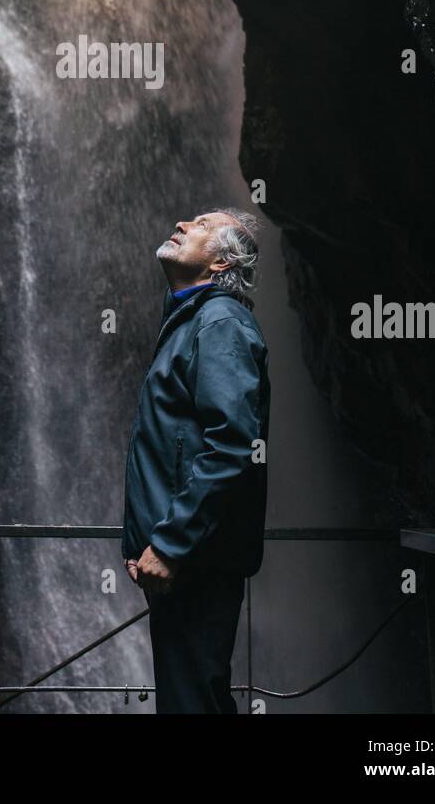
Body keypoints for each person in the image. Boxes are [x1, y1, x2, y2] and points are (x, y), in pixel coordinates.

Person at [121, 207, 270, 714]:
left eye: (202, 226)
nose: (183, 224)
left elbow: (232, 444)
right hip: (180, 555)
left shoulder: (220, 322)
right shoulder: (190, 320)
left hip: (195, 560)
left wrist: (168, 545)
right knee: (192, 699)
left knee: (193, 704)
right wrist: (143, 540)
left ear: (222, 265)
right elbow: (172, 443)